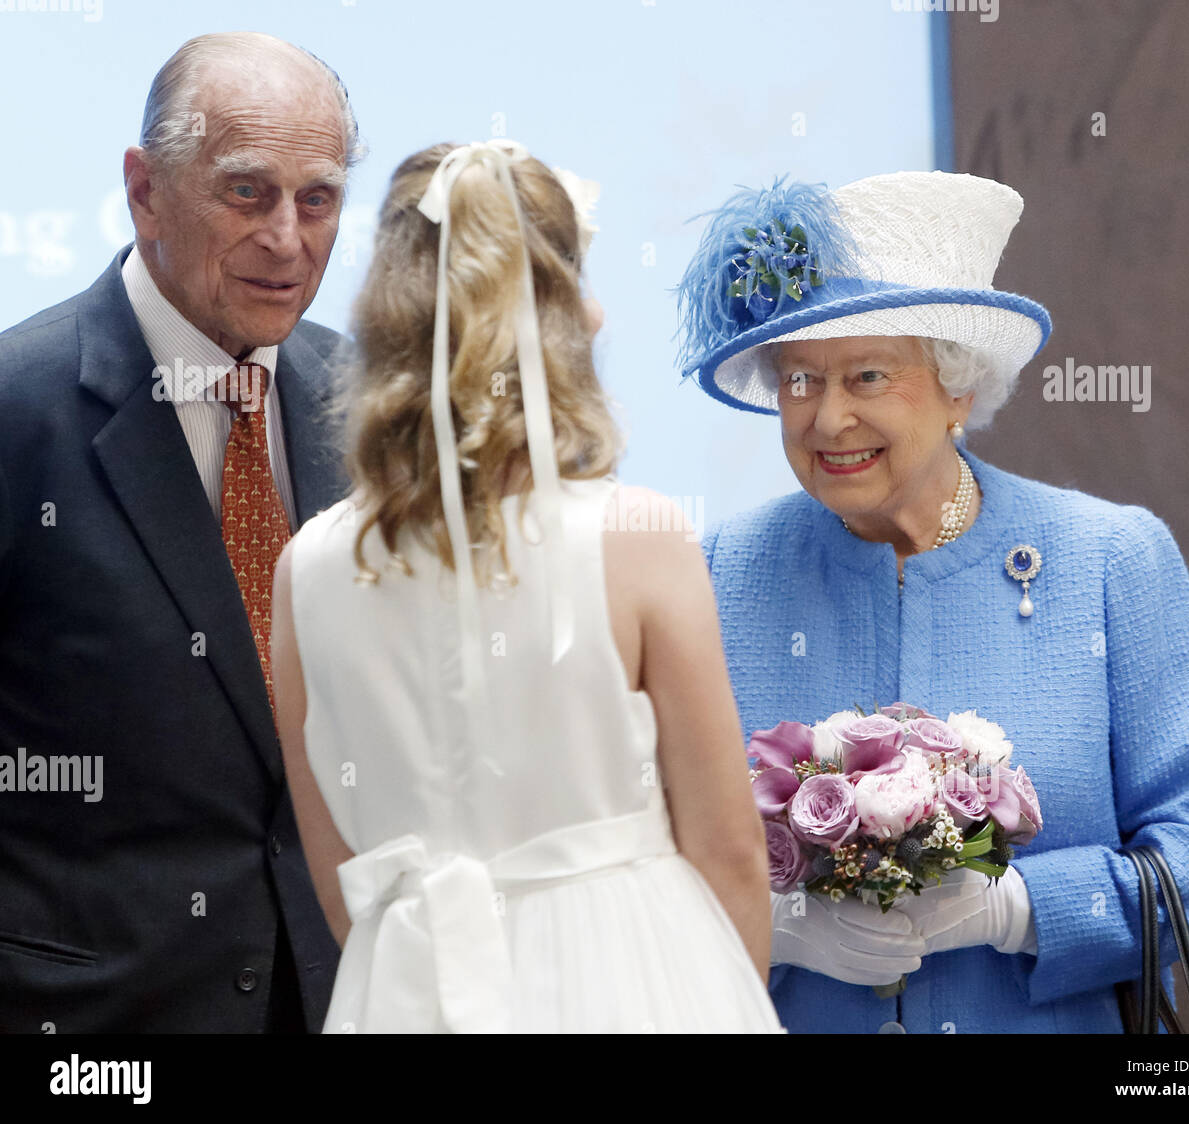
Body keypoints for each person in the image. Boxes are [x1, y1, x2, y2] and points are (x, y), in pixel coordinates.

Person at [675, 170, 1189, 1033]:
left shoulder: (1110, 559)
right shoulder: (723, 569)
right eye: (799, 381)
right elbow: (652, 856)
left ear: (959, 387)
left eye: (867, 376)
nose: (828, 419)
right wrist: (779, 928)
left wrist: (1020, 909)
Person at [271, 139, 780, 1033]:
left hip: (407, 992)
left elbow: (340, 880)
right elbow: (730, 851)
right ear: (559, 312)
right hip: (634, 984)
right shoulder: (639, 534)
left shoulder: (307, 566)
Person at [0, 32, 358, 1032]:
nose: (287, 239)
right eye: (247, 192)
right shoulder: (16, 407)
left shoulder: (375, 407)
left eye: (318, 198)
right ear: (146, 189)